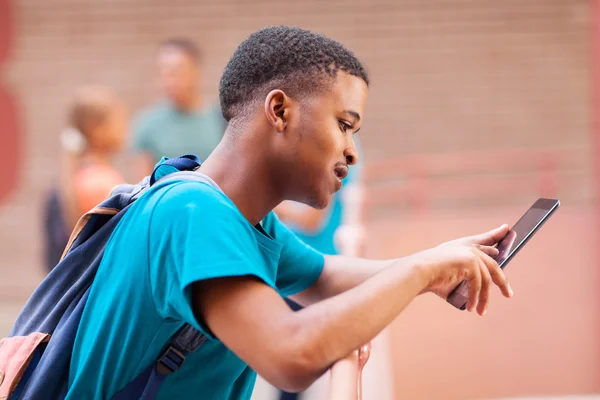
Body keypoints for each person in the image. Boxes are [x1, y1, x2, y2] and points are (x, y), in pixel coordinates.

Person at [65, 26, 514, 399]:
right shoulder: (193, 213)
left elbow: (322, 277)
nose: (351, 152)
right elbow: (291, 354)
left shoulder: (248, 220)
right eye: (344, 125)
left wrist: (438, 263)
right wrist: (420, 270)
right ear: (279, 110)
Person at [274, 140, 365, 400]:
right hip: (304, 265)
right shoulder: (341, 149)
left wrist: (270, 207)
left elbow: (313, 220)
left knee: (292, 364)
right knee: (291, 362)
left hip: (311, 269)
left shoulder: (336, 153)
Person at [43, 85, 127, 272]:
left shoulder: (81, 176)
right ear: (97, 130)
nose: (124, 127)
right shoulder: (100, 182)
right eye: (119, 120)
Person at [130, 38, 226, 180]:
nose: (169, 81)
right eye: (163, 73)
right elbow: (142, 187)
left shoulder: (222, 120)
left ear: (196, 71)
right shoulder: (148, 124)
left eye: (175, 72)